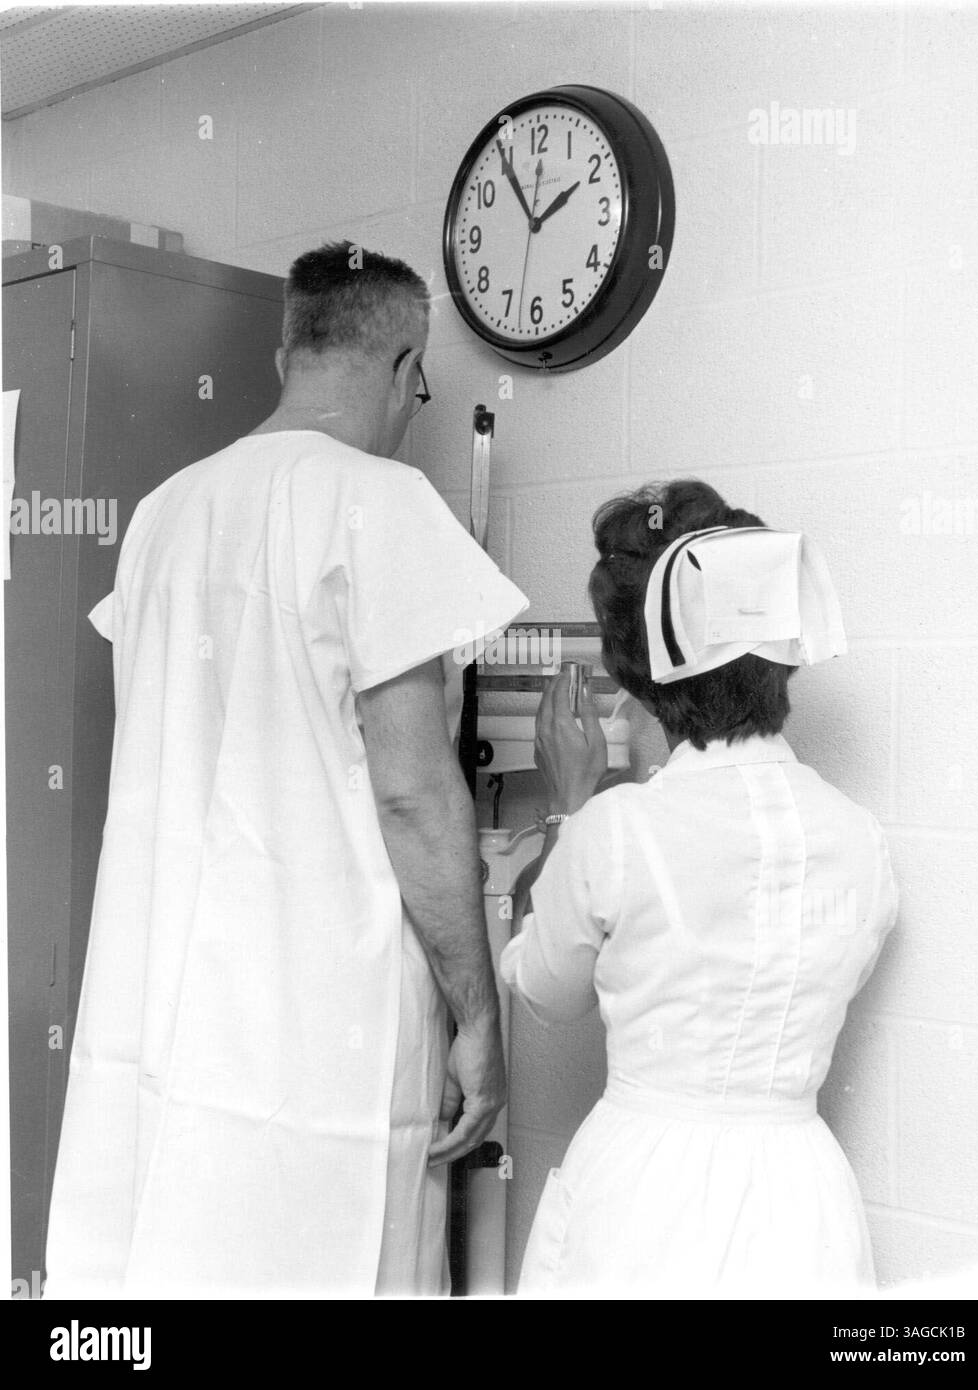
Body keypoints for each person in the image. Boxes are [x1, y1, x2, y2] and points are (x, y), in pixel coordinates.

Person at [44, 242, 528, 1298]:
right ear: (406, 365)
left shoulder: (164, 512)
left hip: (176, 1000)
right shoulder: (381, 501)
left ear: (283, 353)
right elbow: (411, 792)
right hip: (324, 1021)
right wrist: (478, 1018)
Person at [502, 479, 898, 1298]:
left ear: (634, 671)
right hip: (801, 1198)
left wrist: (568, 812)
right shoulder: (860, 841)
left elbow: (542, 993)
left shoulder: (616, 830)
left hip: (644, 1195)